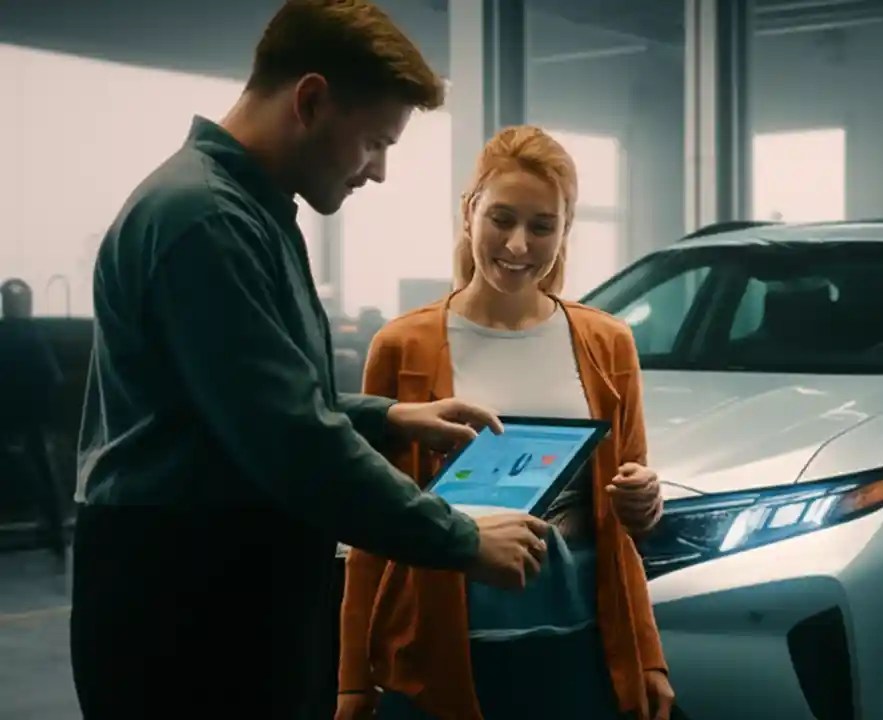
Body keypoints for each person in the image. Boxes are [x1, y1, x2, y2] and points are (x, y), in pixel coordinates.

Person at [70, 2, 550, 718]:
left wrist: (389, 416)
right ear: (312, 99)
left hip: (221, 580)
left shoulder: (247, 210)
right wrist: (457, 537)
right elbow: (288, 438)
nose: (380, 172)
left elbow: (244, 402)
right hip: (186, 601)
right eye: (374, 142)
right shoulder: (205, 219)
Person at [336, 126, 673, 720]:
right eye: (502, 219)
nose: (518, 245)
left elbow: (626, 522)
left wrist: (647, 654)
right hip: (441, 631)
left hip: (578, 633)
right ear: (469, 213)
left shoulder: (606, 343)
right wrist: (352, 682)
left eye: (542, 226)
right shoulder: (403, 345)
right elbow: (372, 527)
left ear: (566, 231)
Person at [0, 278, 67, 560]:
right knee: (44, 473)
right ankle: (55, 532)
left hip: (8, 416)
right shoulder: (34, 334)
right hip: (32, 418)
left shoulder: (4, 335)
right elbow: (53, 377)